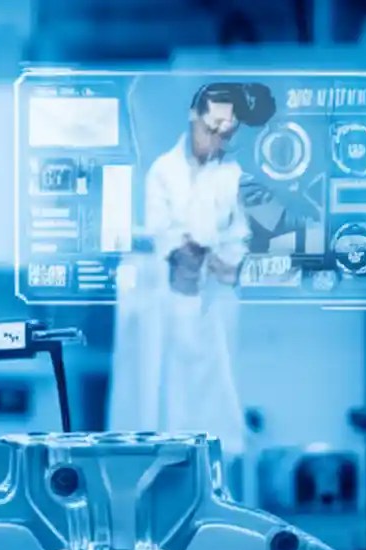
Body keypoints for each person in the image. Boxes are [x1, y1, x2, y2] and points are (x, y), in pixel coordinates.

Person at [109, 82, 275, 460]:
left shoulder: (230, 178)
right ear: (193, 120)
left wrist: (220, 258)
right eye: (209, 127)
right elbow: (159, 235)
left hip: (210, 303)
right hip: (164, 298)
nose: (215, 138)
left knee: (211, 401)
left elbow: (239, 239)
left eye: (224, 131)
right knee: (156, 398)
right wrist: (183, 250)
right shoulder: (163, 173)